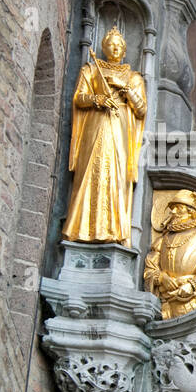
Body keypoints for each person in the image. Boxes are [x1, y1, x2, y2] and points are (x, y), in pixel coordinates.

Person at [64, 26, 147, 245]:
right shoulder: (90, 70)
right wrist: (98, 100)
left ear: (125, 49)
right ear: (104, 47)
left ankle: (113, 230)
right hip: (96, 124)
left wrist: (125, 89)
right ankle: (81, 229)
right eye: (111, 44)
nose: (115, 48)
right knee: (90, 172)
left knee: (117, 177)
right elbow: (79, 98)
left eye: (119, 45)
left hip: (120, 129)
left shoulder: (133, 77)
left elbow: (141, 109)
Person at [143, 191, 196, 318]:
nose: (173, 212)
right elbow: (149, 270)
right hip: (162, 304)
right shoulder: (161, 240)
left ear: (191, 212)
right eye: (172, 208)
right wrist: (160, 278)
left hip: (192, 301)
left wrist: (192, 285)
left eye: (179, 208)